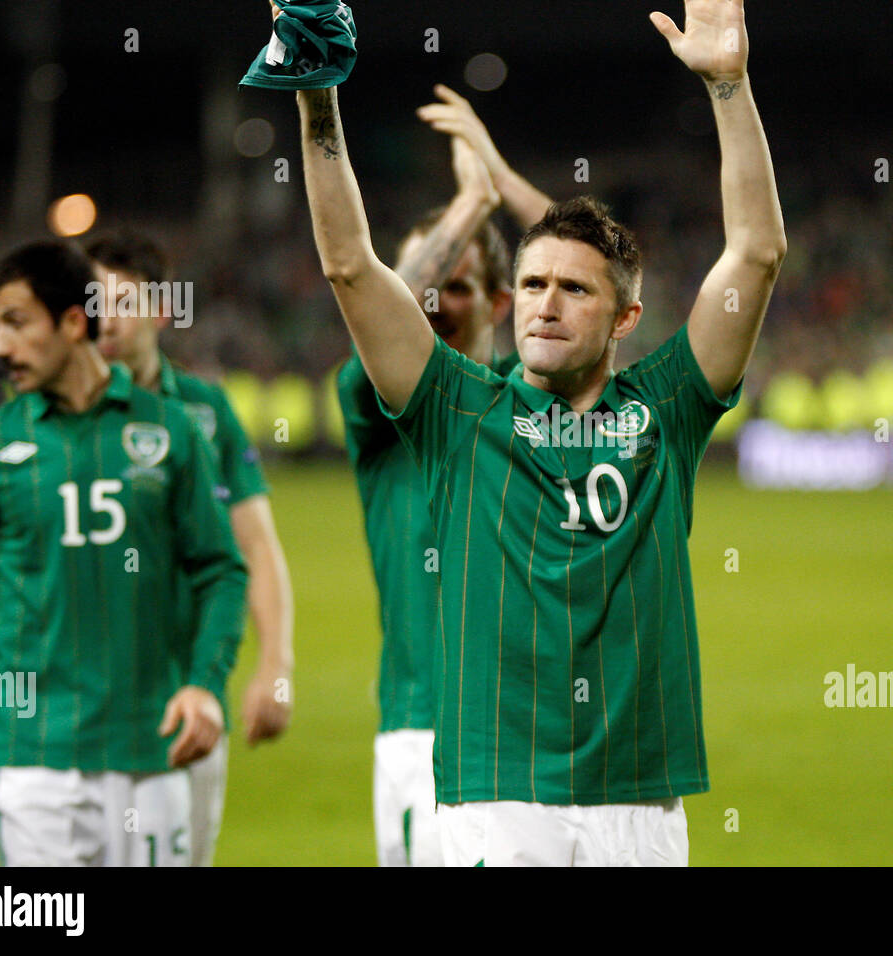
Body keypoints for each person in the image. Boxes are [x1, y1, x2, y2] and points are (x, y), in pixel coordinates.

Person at [294, 0, 785, 865]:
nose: (546, 304)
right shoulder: (456, 409)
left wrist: (729, 87)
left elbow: (755, 253)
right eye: (530, 285)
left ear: (628, 316)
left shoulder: (667, 409)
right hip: (496, 797)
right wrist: (318, 104)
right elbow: (349, 264)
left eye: (575, 289)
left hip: (640, 800)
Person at [0, 241, 247, 866]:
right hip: (31, 760)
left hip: (149, 750)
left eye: (16, 323)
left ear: (74, 321)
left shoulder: (172, 432)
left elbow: (220, 569)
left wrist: (207, 684)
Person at [338, 94, 550, 865]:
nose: (431, 299)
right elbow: (377, 299)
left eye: (457, 285)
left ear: (500, 301)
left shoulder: (535, 401)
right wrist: (470, 205)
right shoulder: (380, 405)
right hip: (422, 728)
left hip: (537, 730)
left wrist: (498, 177)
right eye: (421, 281)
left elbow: (592, 267)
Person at [85, 231, 295, 867]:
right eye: (90, 301)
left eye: (122, 300)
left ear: (163, 309)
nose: (103, 319)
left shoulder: (204, 413)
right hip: (76, 708)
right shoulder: (50, 413)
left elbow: (254, 546)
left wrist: (276, 667)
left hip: (186, 701)